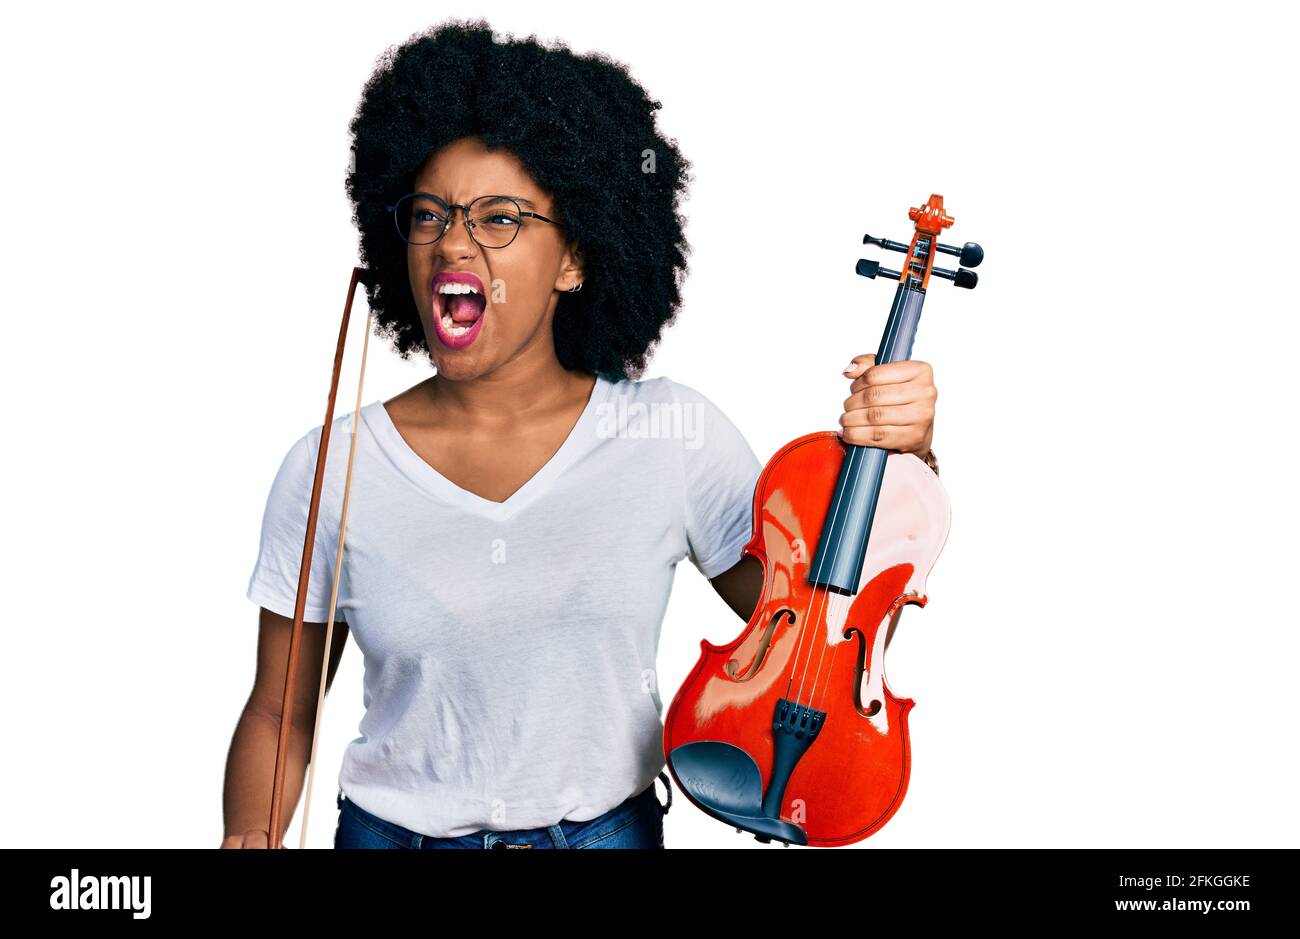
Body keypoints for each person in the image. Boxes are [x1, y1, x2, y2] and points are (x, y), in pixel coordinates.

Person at [220, 18, 939, 850]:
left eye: (500, 219)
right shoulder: (331, 467)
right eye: (431, 214)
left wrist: (907, 451)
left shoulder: (672, 437)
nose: (453, 240)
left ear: (575, 261)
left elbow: (816, 630)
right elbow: (280, 707)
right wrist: (250, 833)